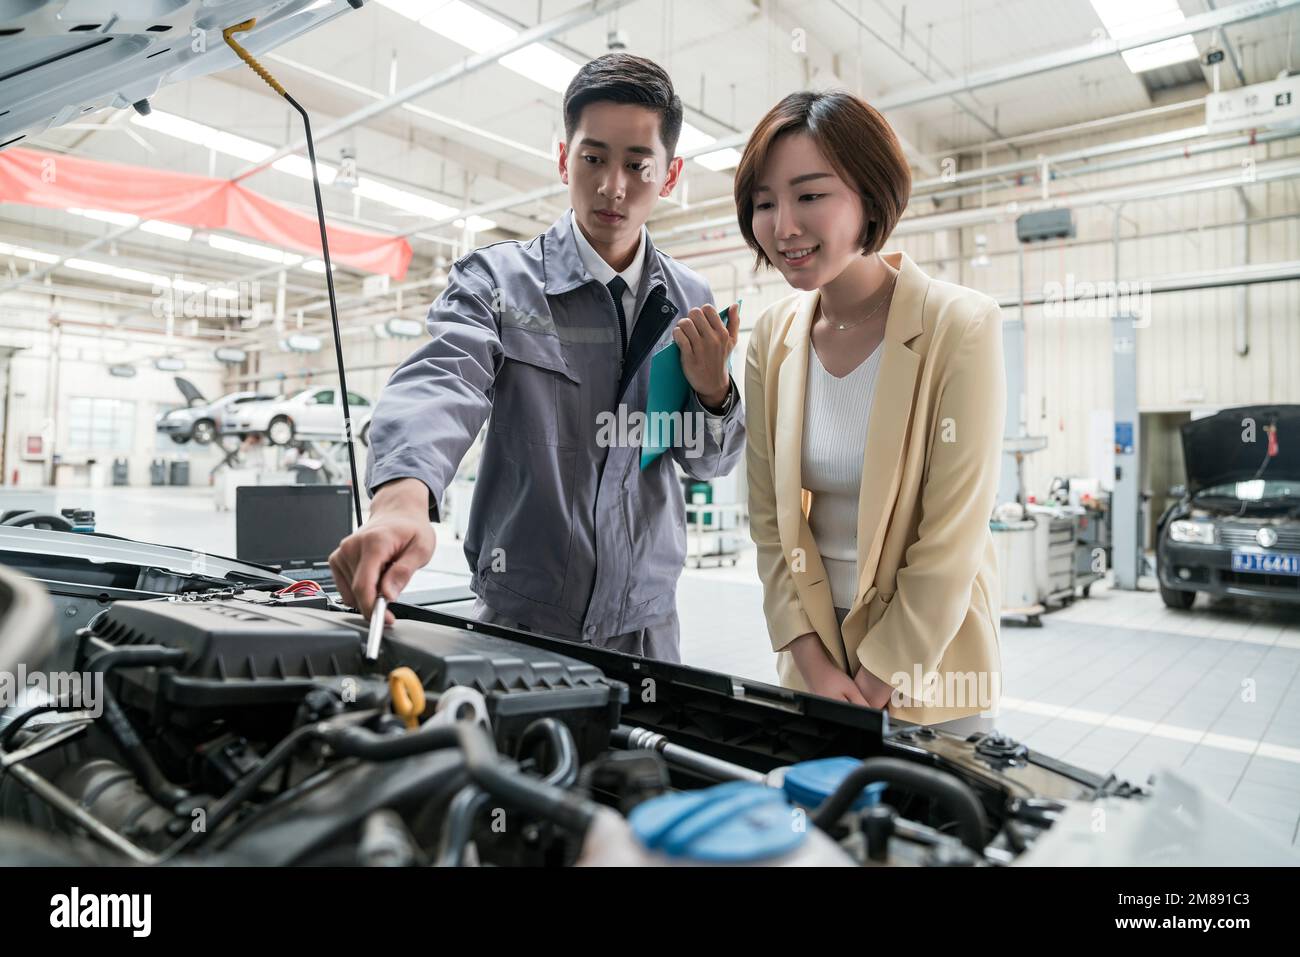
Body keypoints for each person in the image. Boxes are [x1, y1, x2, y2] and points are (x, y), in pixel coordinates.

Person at [329, 53, 745, 662]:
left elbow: (708, 465)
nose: (612, 187)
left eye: (638, 165)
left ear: (671, 173)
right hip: (521, 623)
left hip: (648, 630)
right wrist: (401, 499)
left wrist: (715, 397)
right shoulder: (497, 281)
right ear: (562, 158)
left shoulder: (691, 301)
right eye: (593, 158)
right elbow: (443, 378)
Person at [738, 90, 1004, 729]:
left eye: (810, 195)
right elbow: (771, 527)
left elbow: (951, 538)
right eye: (765, 202)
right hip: (814, 673)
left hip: (932, 678)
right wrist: (817, 670)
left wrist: (876, 682)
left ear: (870, 195)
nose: (783, 226)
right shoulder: (772, 337)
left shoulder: (958, 326)